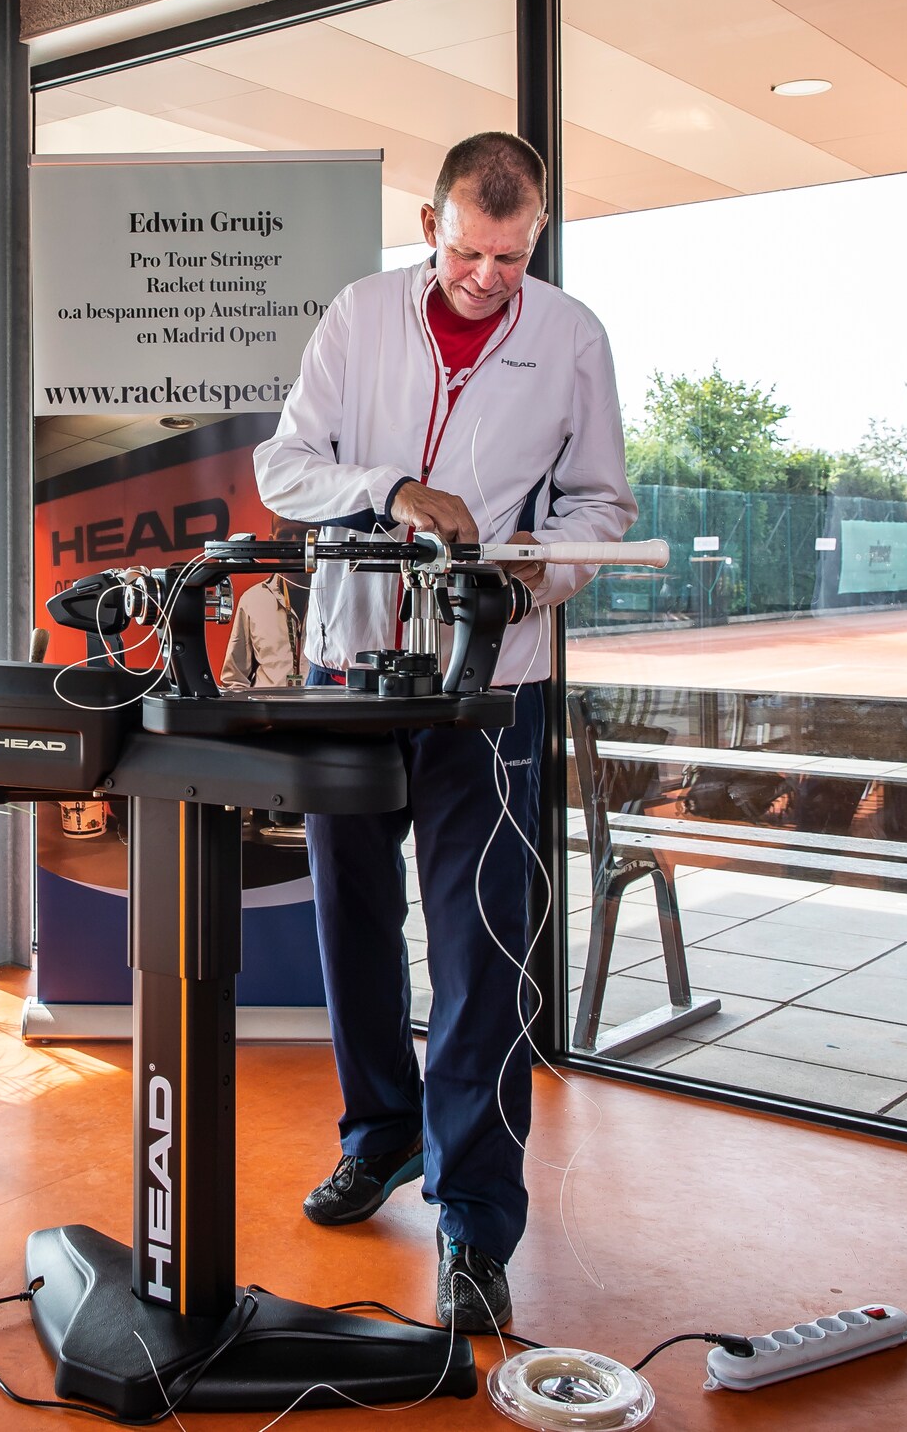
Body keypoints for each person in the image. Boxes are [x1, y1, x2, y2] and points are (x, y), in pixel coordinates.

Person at [251, 131, 635, 1330]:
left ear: (535, 240)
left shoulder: (569, 337)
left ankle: (472, 1217)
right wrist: (387, 489)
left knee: (483, 953)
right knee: (353, 921)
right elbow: (282, 467)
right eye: (469, 250)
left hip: (488, 683)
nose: (485, 277)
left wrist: (533, 580)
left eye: (509, 259)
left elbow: (600, 505)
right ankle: (376, 1136)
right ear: (430, 225)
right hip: (347, 670)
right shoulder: (360, 316)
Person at [219, 517, 311, 689]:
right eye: (285, 535)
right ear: (272, 542)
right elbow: (235, 679)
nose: (295, 543)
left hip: (320, 712)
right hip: (267, 713)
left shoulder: (334, 601)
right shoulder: (252, 600)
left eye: (303, 534)